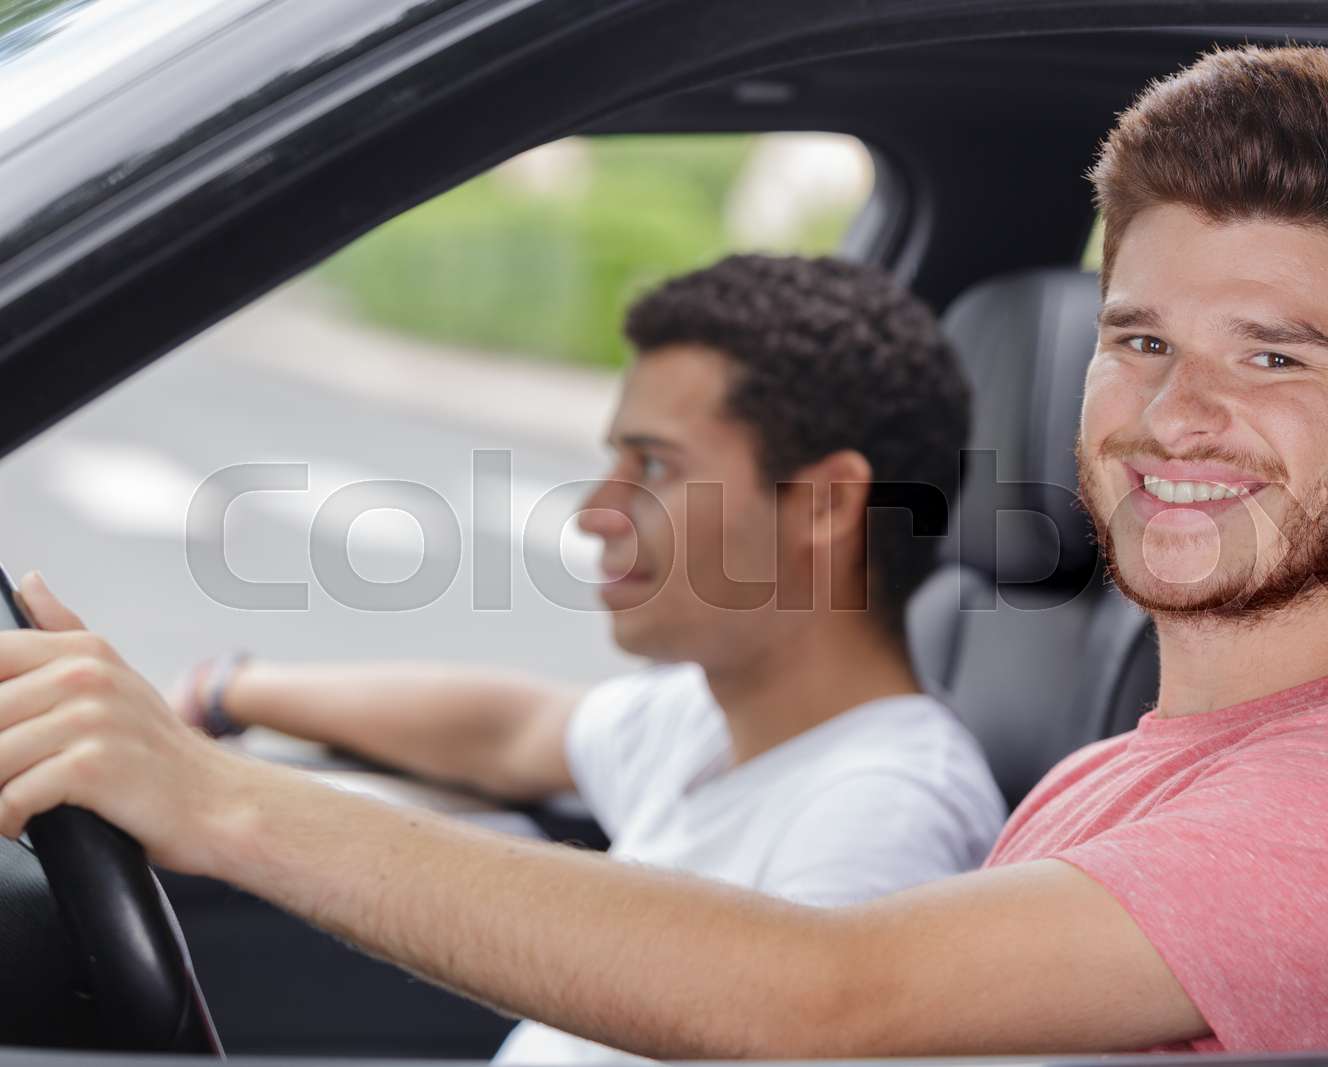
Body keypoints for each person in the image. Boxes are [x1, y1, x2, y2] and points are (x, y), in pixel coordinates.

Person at [0, 45, 1328, 1054]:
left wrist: (211, 800)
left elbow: (826, 997)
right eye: (1139, 337)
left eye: (1275, 358)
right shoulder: (1156, 764)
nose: (1176, 412)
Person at [169, 253, 1009, 1063]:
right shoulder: (706, 714)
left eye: (650, 465)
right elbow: (509, 729)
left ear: (826, 503)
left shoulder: (880, 821)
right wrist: (230, 690)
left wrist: (220, 801)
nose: (596, 513)